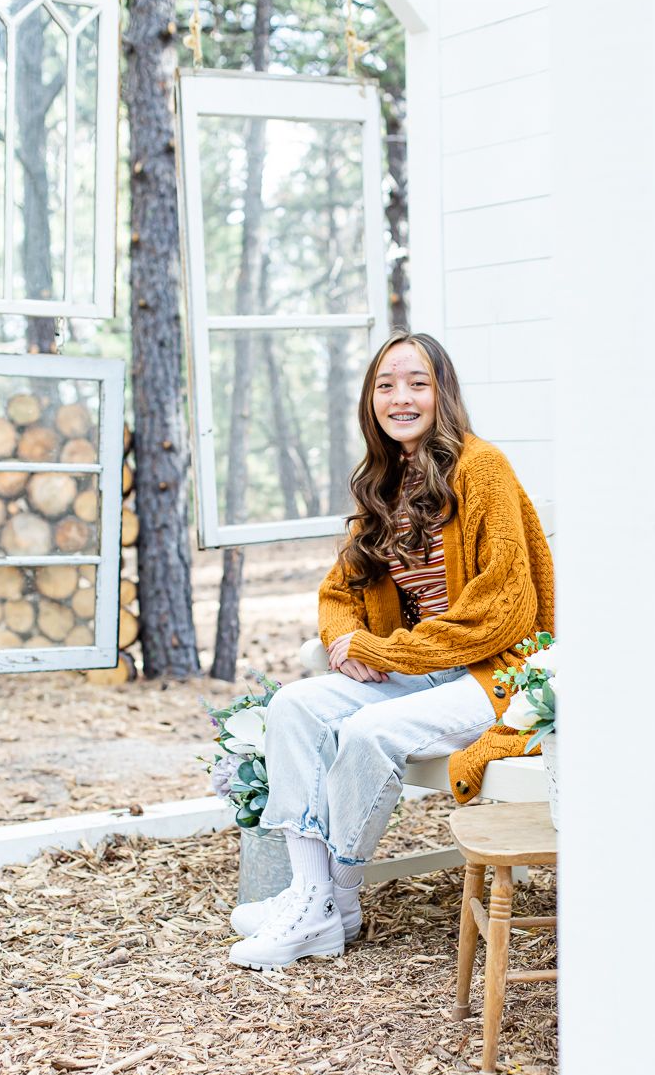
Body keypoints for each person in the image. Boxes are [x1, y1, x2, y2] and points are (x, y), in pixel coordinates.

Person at [229, 331, 554, 971]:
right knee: (293, 707)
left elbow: (503, 610)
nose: (400, 397)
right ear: (370, 399)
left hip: (491, 674)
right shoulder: (383, 481)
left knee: (368, 731)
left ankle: (335, 898)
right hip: (421, 669)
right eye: (386, 385)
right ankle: (314, 896)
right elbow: (340, 590)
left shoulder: (481, 468)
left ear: (443, 394)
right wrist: (343, 640)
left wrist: (388, 652)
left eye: (417, 383)